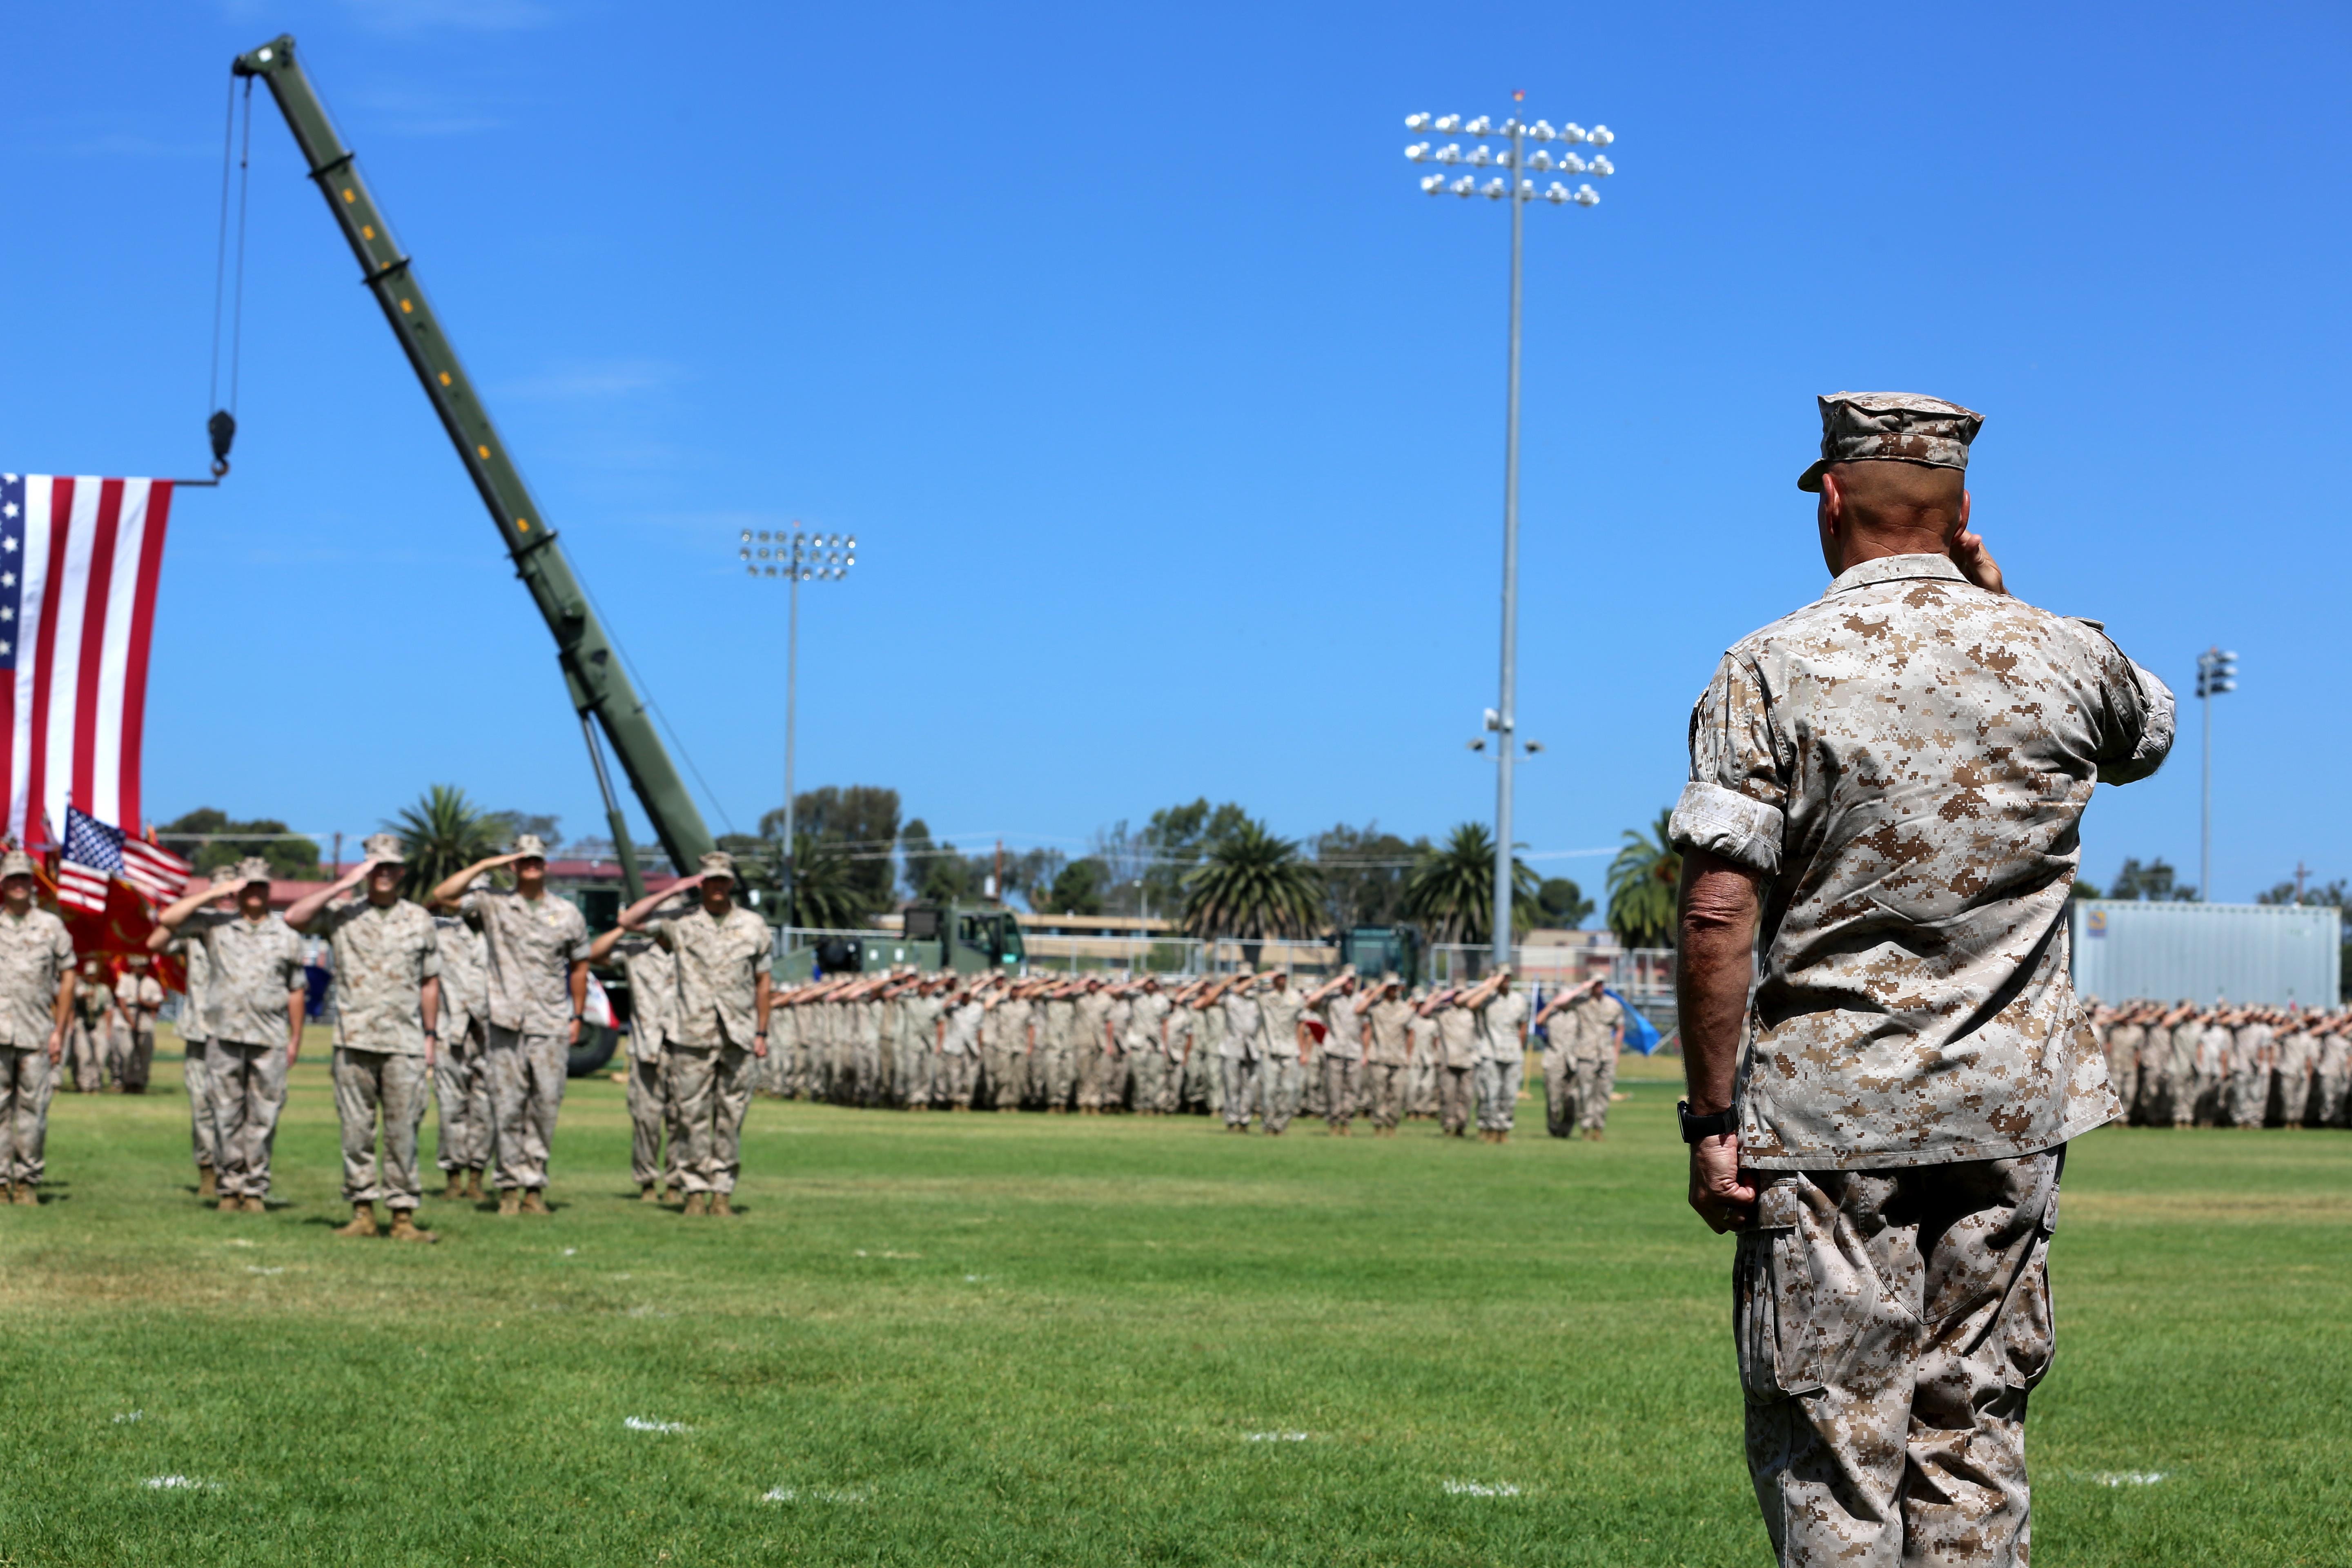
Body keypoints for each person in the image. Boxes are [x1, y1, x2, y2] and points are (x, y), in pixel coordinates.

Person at [1672, 391, 2172, 1566]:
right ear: (1961, 512)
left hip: (1833, 1119)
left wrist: (1707, 1119)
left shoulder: (1770, 667)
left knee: (1841, 1453)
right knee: (1974, 1432)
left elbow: (1715, 907)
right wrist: (2001, 608)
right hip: (2008, 1117)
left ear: (1833, 500)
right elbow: (2146, 735)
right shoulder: (2066, 656)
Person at [286, 834, 443, 1242]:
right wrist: (343, 884)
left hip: (404, 1043)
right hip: (354, 1040)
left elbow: (430, 981)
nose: (384, 874)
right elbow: (294, 918)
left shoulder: (419, 919)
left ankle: (403, 1216)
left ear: (403, 873)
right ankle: (362, 1212)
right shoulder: (343, 914)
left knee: (403, 1131)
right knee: (356, 1132)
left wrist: (430, 1036)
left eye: (392, 867)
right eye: (377, 867)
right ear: (367, 870)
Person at [429, 834, 589, 1216]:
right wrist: (487, 866)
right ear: (514, 866)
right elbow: (444, 895)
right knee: (506, 1106)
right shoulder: (493, 903)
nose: (530, 866)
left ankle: (534, 1187)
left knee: (545, 1106)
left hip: (550, 1022)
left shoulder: (567, 913)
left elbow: (581, 964)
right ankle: (508, 1189)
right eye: (523, 860)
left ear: (546, 866)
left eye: (536, 860)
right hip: (505, 1021)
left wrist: (577, 1015)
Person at [615, 851, 770, 1216]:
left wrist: (762, 1031)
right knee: (691, 1117)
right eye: (710, 880)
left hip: (738, 1034)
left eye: (723, 880)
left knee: (731, 1117)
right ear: (702, 884)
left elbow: (764, 982)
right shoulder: (680, 922)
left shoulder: (753, 925)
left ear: (731, 884)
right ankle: (695, 1191)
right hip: (691, 1034)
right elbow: (628, 920)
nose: (717, 887)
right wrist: (675, 887)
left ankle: (723, 1193)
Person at [153, 857, 307, 1213]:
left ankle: (254, 1190)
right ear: (238, 890)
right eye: (247, 887)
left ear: (269, 891)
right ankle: (228, 1188)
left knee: (263, 1117)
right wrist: (216, 891)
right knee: (225, 1115)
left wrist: (296, 1038)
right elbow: (166, 922)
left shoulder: (287, 936)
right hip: (224, 1036)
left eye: (260, 887)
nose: (254, 893)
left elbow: (296, 989)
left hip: (269, 1038)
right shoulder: (216, 926)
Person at [590, 888, 690, 1203]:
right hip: (646, 1045)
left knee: (682, 1118)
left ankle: (675, 1183)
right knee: (646, 1119)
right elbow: (595, 954)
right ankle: (647, 1182)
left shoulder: (693, 953)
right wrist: (627, 926)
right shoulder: (636, 951)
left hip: (685, 1045)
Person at [0, 849, 76, 1205]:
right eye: (12, 878)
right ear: (3, 884)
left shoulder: (51, 926)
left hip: (36, 1033)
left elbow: (68, 976)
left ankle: (26, 1181)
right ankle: (0, 1183)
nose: (18, 884)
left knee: (34, 1111)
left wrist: (58, 1030)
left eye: (24, 878)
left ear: (33, 884)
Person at [166, 879, 232, 1200]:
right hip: (200, 1032)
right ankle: (207, 1171)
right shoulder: (194, 931)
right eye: (222, 894)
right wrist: (206, 898)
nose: (227, 900)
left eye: (232, 894)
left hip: (238, 1032)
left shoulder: (251, 931)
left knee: (238, 1109)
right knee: (201, 1106)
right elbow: (163, 927)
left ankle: (238, 1174)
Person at [430, 894, 494, 1200]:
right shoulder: (442, 934)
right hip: (450, 1030)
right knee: (450, 1107)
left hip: (491, 1034)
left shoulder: (501, 934)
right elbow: (423, 907)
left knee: (486, 1109)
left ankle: (477, 1177)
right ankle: (453, 1177)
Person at [1471, 969, 1528, 1143]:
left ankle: (1503, 1131)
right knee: (1491, 1094)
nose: (1505, 980)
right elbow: (1472, 1005)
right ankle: (1489, 1129)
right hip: (1491, 1052)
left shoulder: (1519, 1000)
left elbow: (1523, 1026)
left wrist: (1520, 1047)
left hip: (1513, 1054)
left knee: (1509, 1095)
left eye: (1508, 977)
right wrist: (1490, 987)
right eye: (1502, 977)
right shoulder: (1487, 998)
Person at [1304, 971, 1363, 1134]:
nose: (1349, 982)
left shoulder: (1360, 1000)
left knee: (1352, 1089)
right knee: (1334, 1089)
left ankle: (1347, 1122)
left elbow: (1366, 1027)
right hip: (1334, 1049)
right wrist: (1333, 985)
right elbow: (1311, 1001)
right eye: (1346, 980)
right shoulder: (1331, 999)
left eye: (1352, 979)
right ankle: (1334, 1123)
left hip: (1355, 1050)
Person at [1422, 982, 1481, 1137]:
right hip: (1448, 1061)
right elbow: (1424, 1012)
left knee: (1467, 1097)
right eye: (1458, 995)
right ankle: (1448, 1126)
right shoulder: (1444, 1012)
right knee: (1448, 1097)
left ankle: (1461, 1127)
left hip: (1468, 1062)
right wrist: (1441, 997)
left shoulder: (1472, 1012)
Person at [1359, 979, 1414, 1135]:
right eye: (1390, 987)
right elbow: (1359, 1010)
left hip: (1399, 1058)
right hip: (1379, 1057)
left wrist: (1409, 1056)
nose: (1393, 990)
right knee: (1379, 1095)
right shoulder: (1375, 1008)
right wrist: (1377, 991)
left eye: (1395, 987)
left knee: (1397, 1095)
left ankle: (1392, 1126)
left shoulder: (1406, 1009)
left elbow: (1411, 1034)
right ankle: (1378, 1126)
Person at [1256, 970, 1307, 1136]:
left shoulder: (1296, 998)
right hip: (1269, 1048)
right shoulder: (1265, 997)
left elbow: (1301, 1023)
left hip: (1290, 1049)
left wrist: (1303, 1050)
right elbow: (1241, 989)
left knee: (1289, 1090)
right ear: (1273, 979)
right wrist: (1262, 976)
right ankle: (1268, 1125)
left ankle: (1280, 1125)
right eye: (1279, 977)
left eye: (1285, 976)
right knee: (1269, 1090)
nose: (1283, 980)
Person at [113, 952, 164, 1095]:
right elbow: (121, 1001)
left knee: (144, 1055)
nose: (140, 969)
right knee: (127, 1052)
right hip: (127, 1019)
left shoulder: (152, 983)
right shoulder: (125, 980)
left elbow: (157, 1004)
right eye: (137, 966)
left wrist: (144, 1003)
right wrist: (130, 1021)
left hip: (145, 1019)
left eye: (142, 966)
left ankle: (140, 1083)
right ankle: (127, 1082)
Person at [65, 955, 118, 1093]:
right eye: (89, 975)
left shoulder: (104, 990)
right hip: (82, 1021)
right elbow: (77, 995)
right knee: (84, 1055)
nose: (91, 977)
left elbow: (108, 1010)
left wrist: (108, 1029)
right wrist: (86, 995)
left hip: (98, 1021)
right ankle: (85, 1085)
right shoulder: (80, 987)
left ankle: (97, 1083)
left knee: (100, 1056)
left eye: (93, 975)